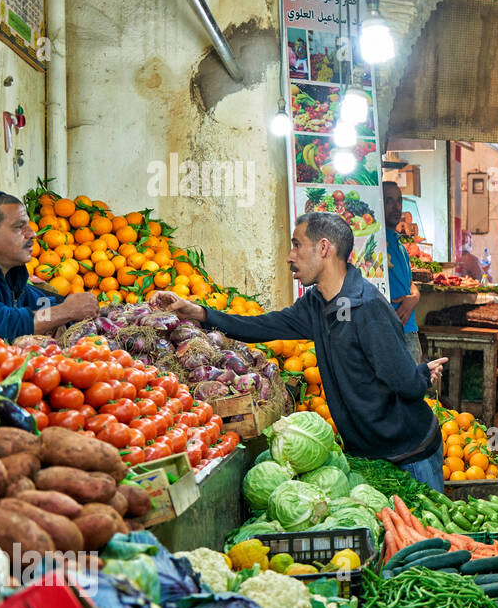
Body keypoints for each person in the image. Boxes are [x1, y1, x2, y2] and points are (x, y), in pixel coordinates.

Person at [150, 212, 447, 489]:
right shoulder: (318, 303)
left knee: (422, 541)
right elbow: (262, 327)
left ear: (324, 248)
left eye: (296, 245)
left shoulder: (365, 306)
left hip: (410, 454)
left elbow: (406, 385)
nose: (290, 257)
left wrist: (420, 376)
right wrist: (198, 313)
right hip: (369, 454)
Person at [0, 191, 97, 338]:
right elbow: (4, 323)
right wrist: (66, 311)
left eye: (28, 225)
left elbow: (42, 303)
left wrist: (63, 312)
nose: (32, 234)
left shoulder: (13, 279)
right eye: (19, 227)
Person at [383, 181, 422, 361]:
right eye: (389, 200)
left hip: (409, 329)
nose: (396, 206)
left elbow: (409, 282)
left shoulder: (400, 247)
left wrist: (414, 297)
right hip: (389, 332)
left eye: (399, 201)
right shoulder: (377, 247)